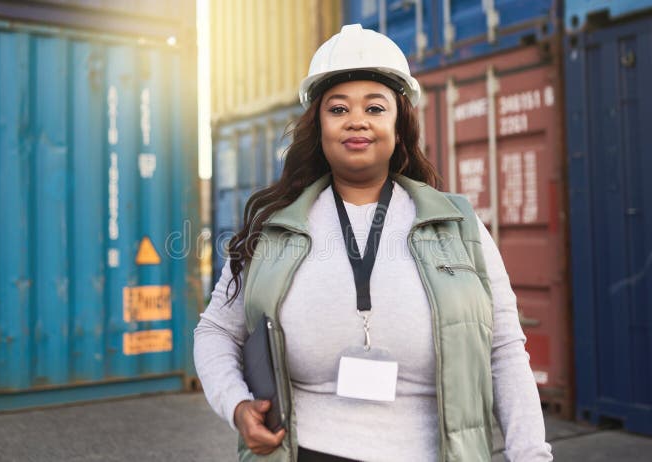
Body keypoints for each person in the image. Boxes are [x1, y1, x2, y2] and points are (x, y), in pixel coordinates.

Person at [194, 24, 553, 462]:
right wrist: (236, 404)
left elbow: (504, 351)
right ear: (319, 126)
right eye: (339, 108)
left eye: (375, 107)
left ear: (399, 126)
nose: (357, 120)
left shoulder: (459, 226)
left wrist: (531, 455)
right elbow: (216, 330)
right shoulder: (275, 229)